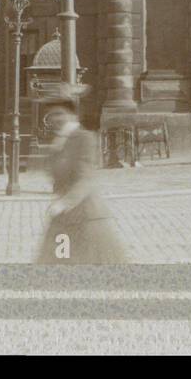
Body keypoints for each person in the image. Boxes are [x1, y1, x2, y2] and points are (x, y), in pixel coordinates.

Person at [35, 101, 128, 264]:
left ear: (72, 115)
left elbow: (86, 177)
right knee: (57, 261)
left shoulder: (84, 138)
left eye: (59, 113)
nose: (55, 119)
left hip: (87, 214)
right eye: (52, 115)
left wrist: (65, 202)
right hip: (64, 216)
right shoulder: (58, 141)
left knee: (95, 263)